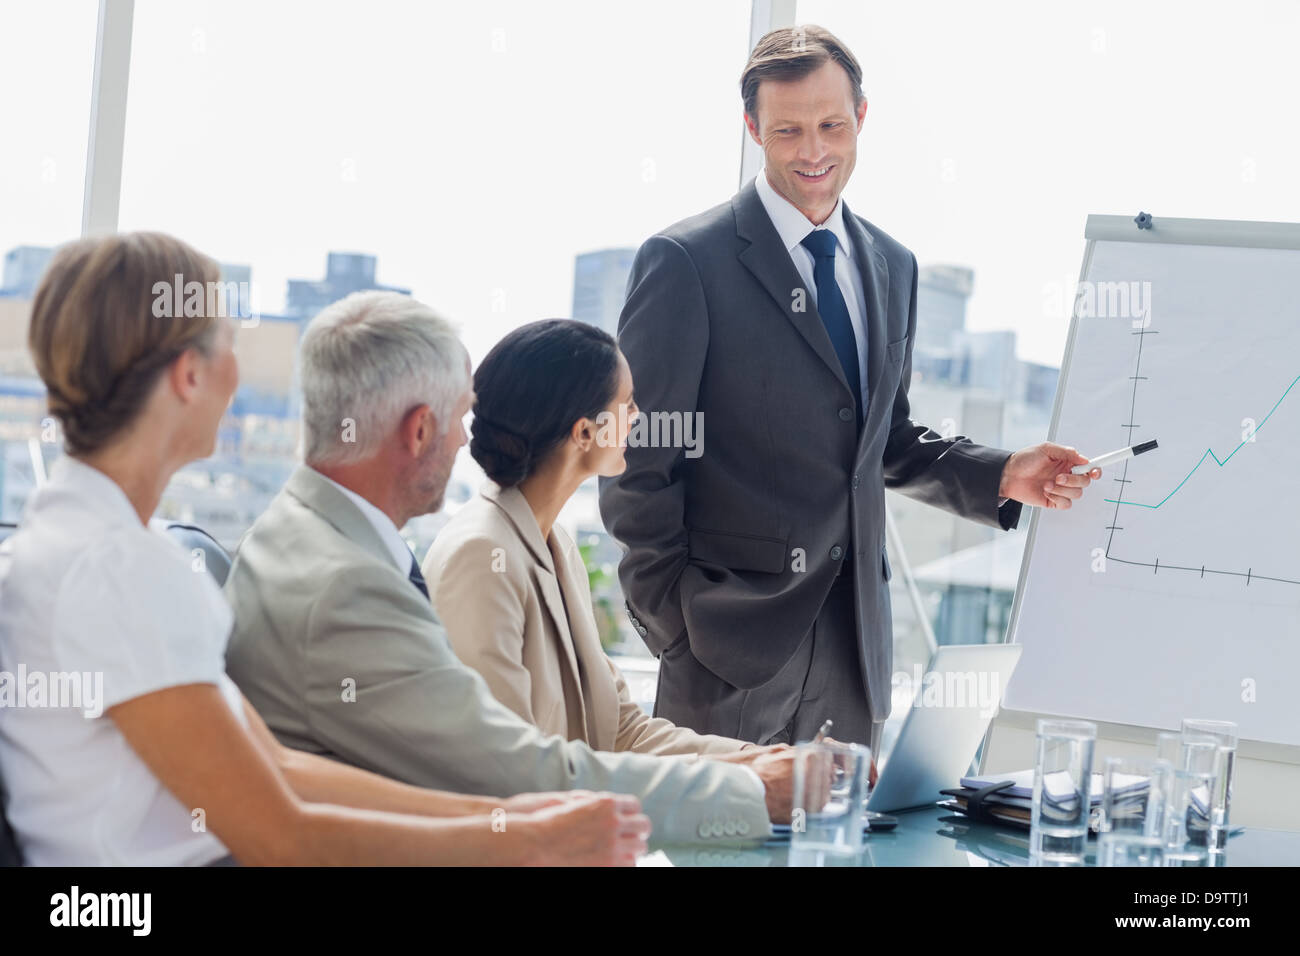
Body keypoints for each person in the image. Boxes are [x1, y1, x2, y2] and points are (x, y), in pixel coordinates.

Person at [0, 232, 649, 866]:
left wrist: (509, 818)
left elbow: (279, 770)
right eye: (230, 345)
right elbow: (278, 835)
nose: (239, 372)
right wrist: (527, 842)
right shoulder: (117, 570)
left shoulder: (97, 541)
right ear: (188, 376)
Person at [597, 25, 1104, 754]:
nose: (813, 151)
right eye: (788, 130)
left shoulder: (892, 265)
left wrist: (1002, 473)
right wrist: (677, 630)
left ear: (862, 117)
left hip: (855, 651)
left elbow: (881, 440)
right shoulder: (687, 263)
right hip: (727, 653)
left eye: (832, 125)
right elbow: (637, 460)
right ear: (752, 128)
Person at [223, 291, 799, 844]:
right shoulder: (371, 579)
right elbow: (508, 773)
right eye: (457, 416)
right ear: (419, 429)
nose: (463, 440)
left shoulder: (305, 538)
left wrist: (759, 764)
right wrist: (748, 791)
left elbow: (612, 728)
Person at [424, 320, 778, 761]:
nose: (637, 416)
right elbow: (507, 764)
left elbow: (620, 732)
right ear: (584, 432)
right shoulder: (482, 556)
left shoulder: (556, 545)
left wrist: (767, 761)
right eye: (626, 403)